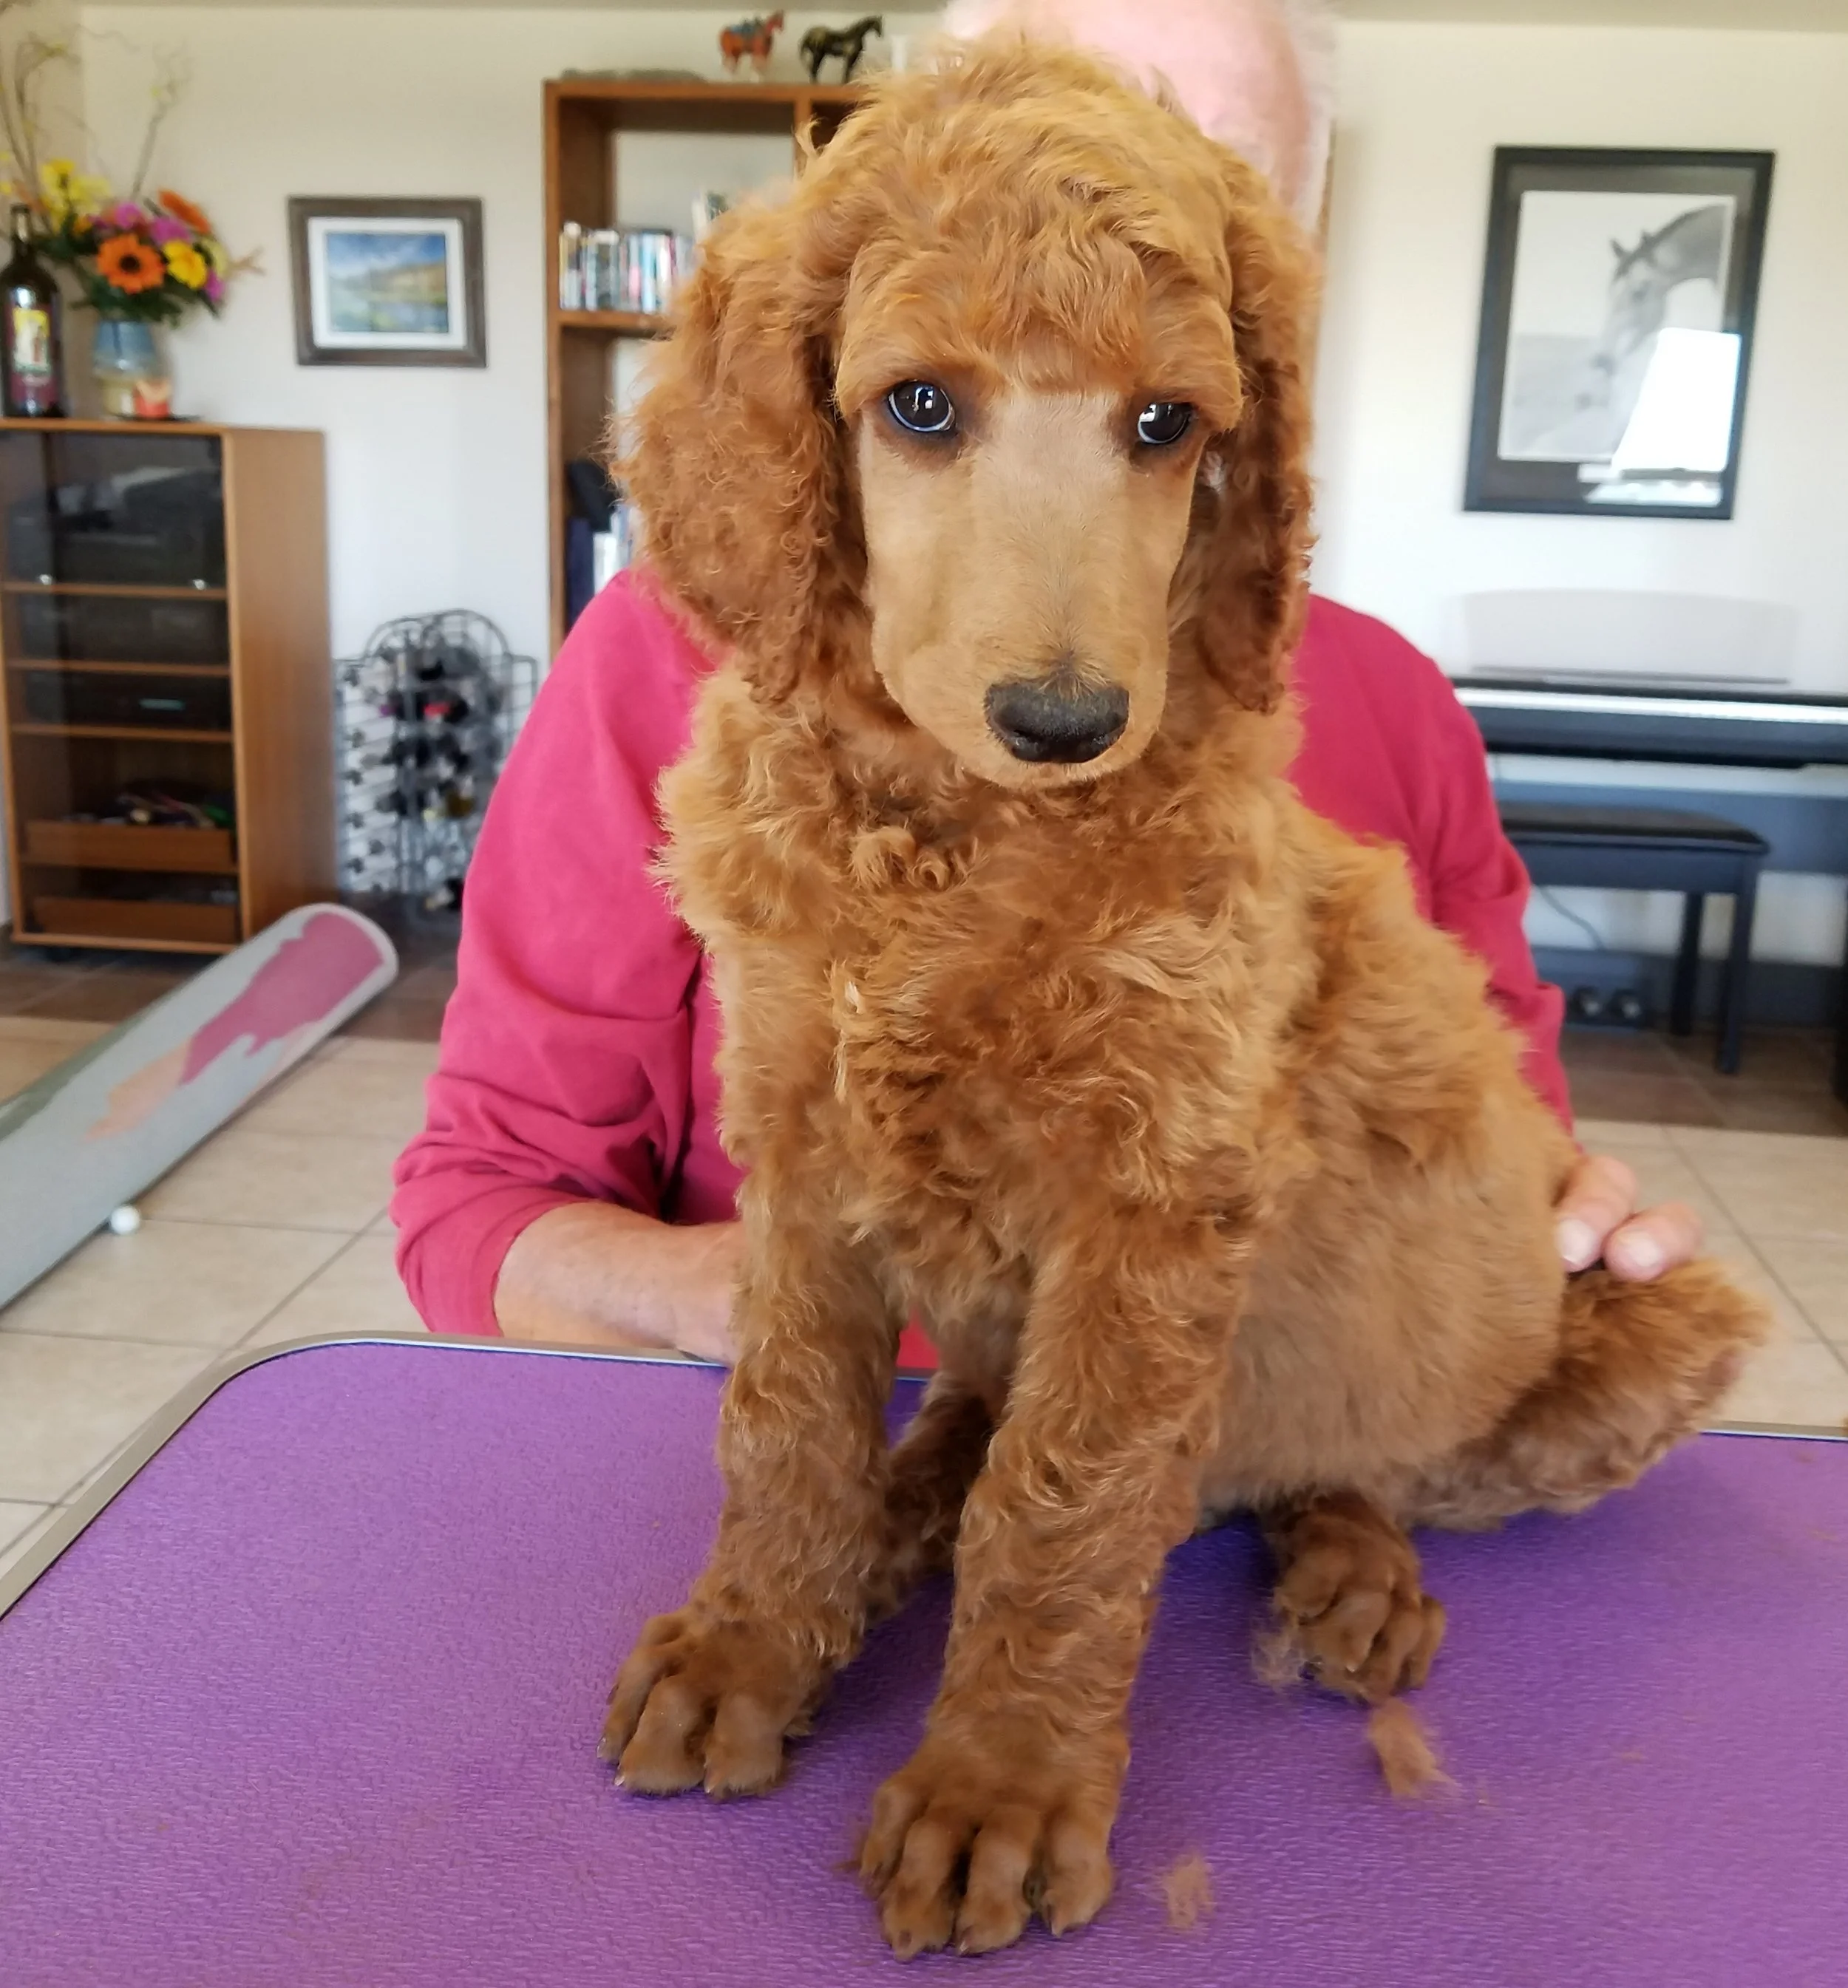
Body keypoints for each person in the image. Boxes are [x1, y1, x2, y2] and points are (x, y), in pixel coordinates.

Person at [390, 0, 1705, 1358]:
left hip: (1263, 1476)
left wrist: (1558, 1223)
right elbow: (480, 1216)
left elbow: (1499, 1135)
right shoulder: (671, 654)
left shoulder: (1400, 706)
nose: (1097, 203)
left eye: (1200, 165)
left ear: (1273, 281)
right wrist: (829, 1320)